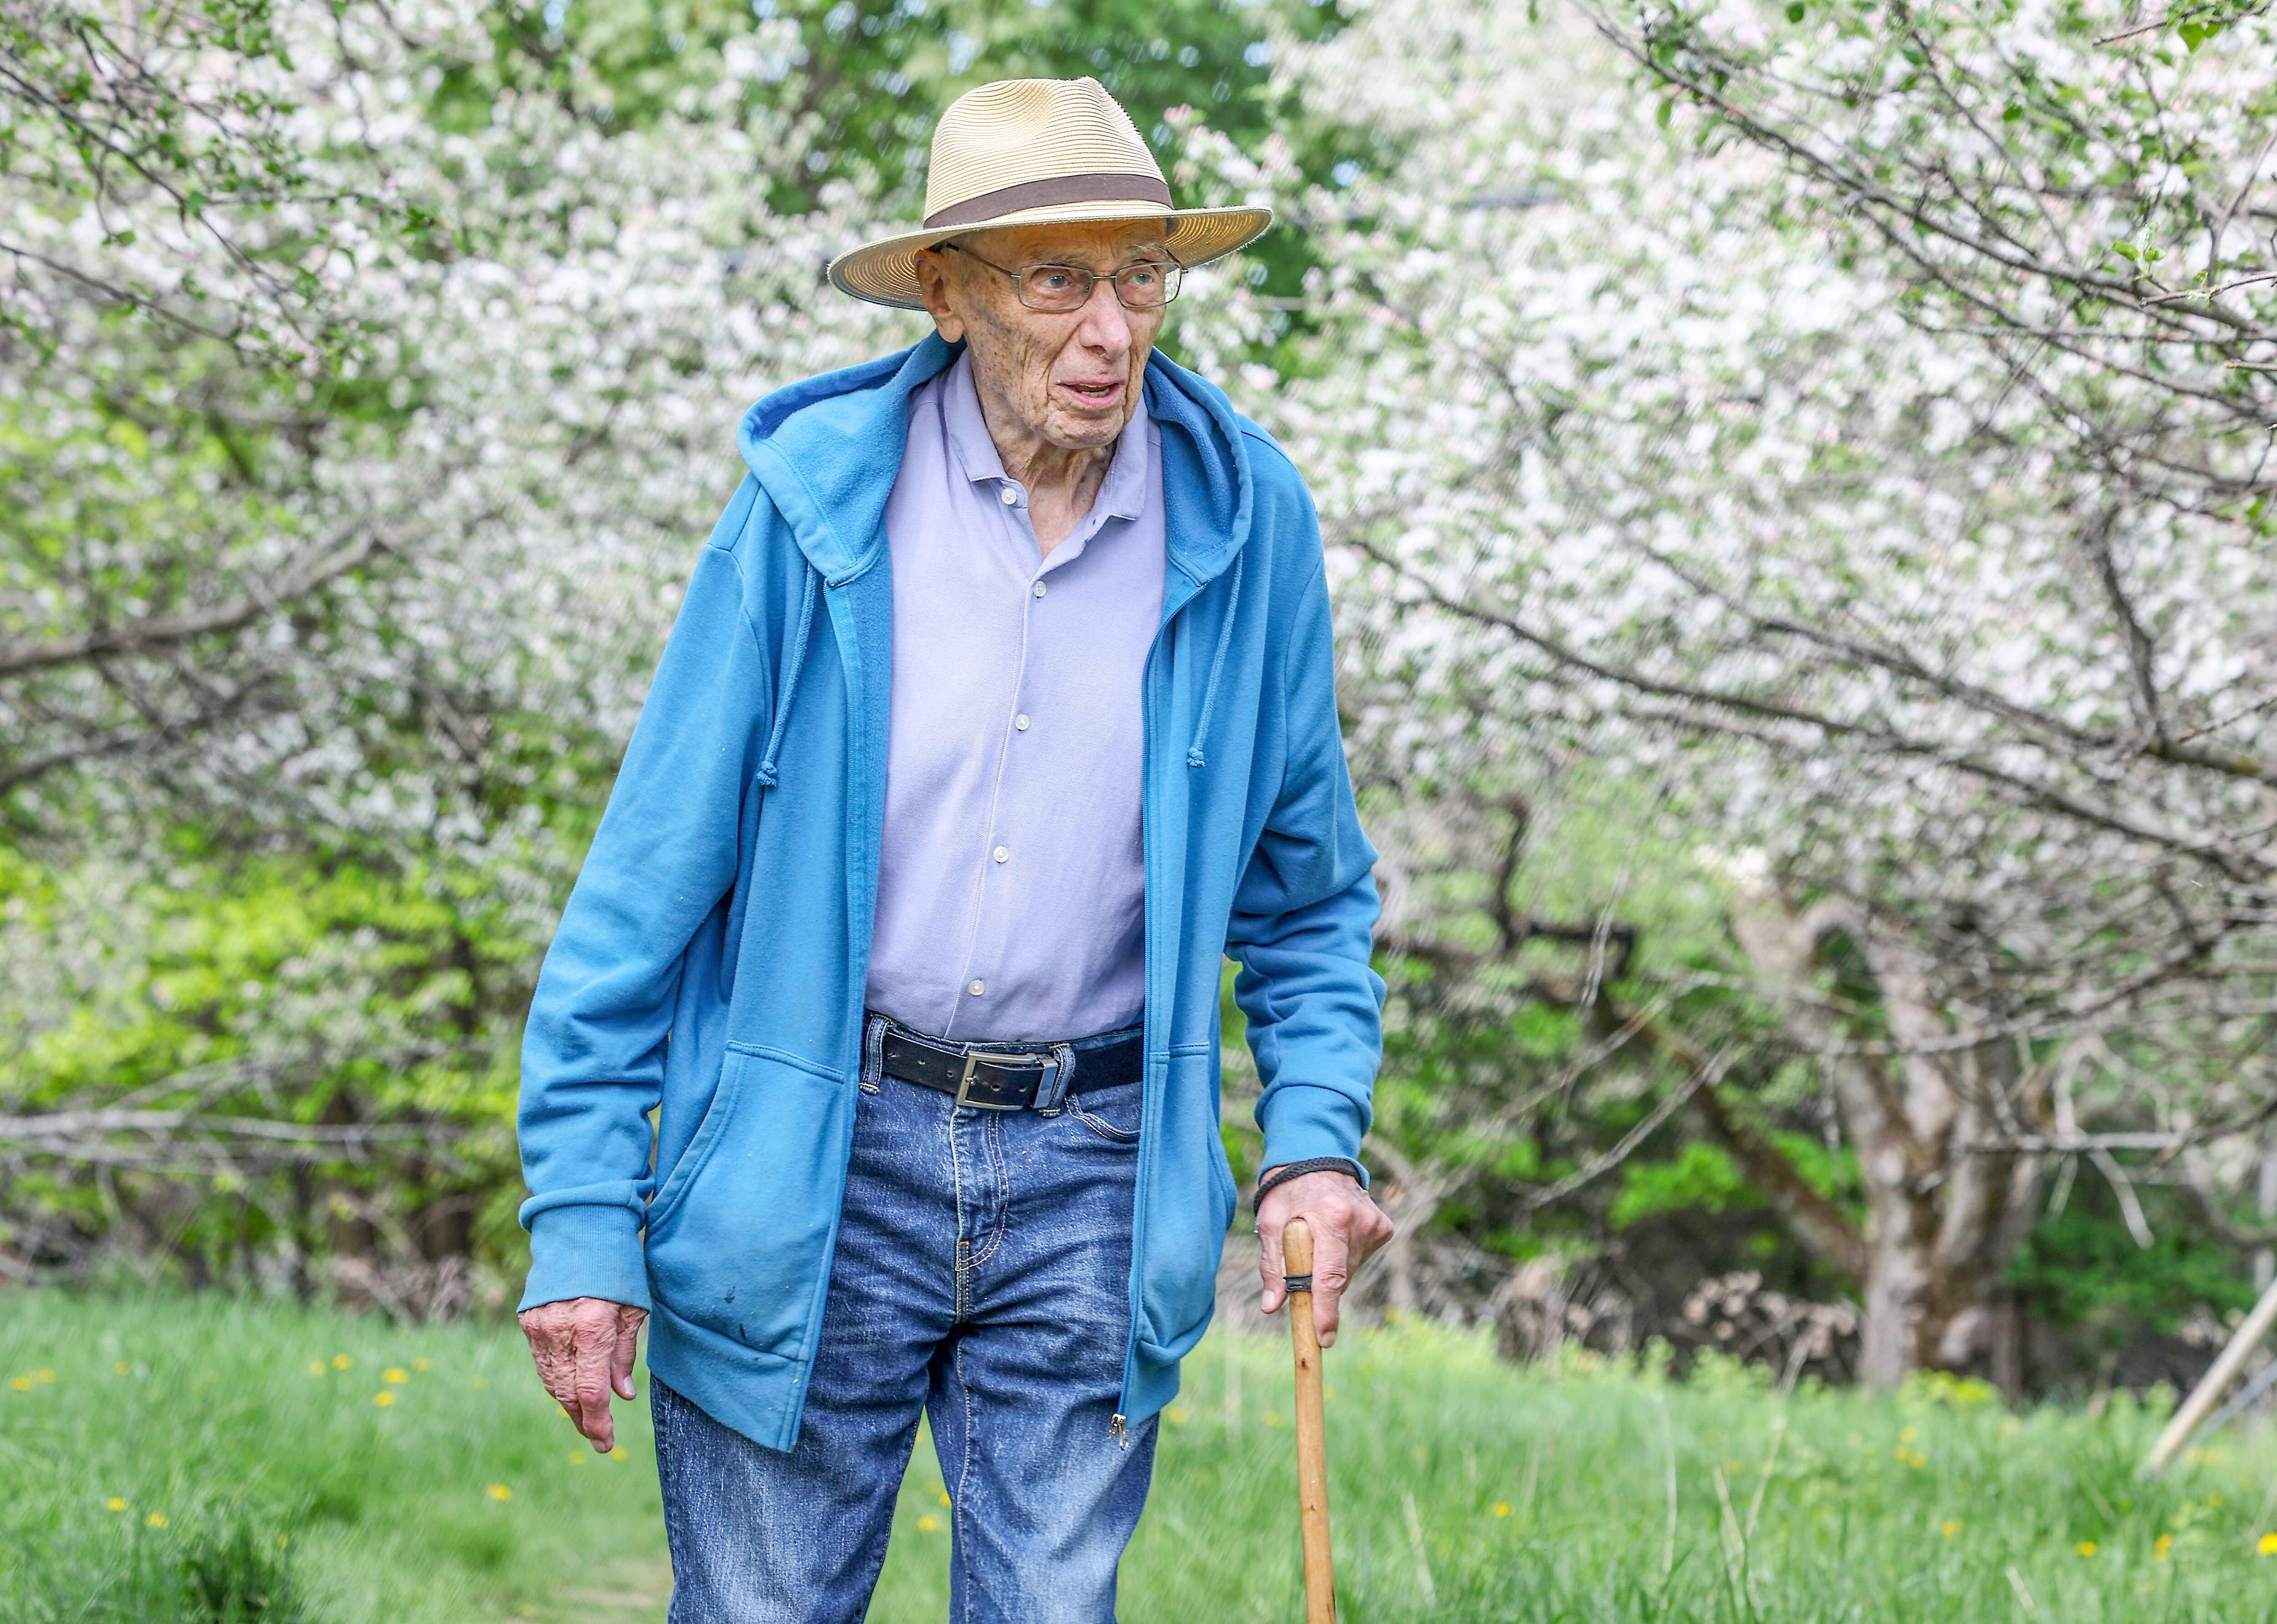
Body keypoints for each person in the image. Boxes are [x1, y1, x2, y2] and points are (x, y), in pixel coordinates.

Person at [513, 75, 1393, 1623]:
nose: (1111, 331)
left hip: (1097, 1173)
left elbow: (1311, 899)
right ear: (947, 292)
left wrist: (1313, 1140)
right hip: (815, 1156)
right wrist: (585, 1220)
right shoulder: (808, 514)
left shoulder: (1250, 529)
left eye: (1141, 278)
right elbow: (638, 898)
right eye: (1059, 280)